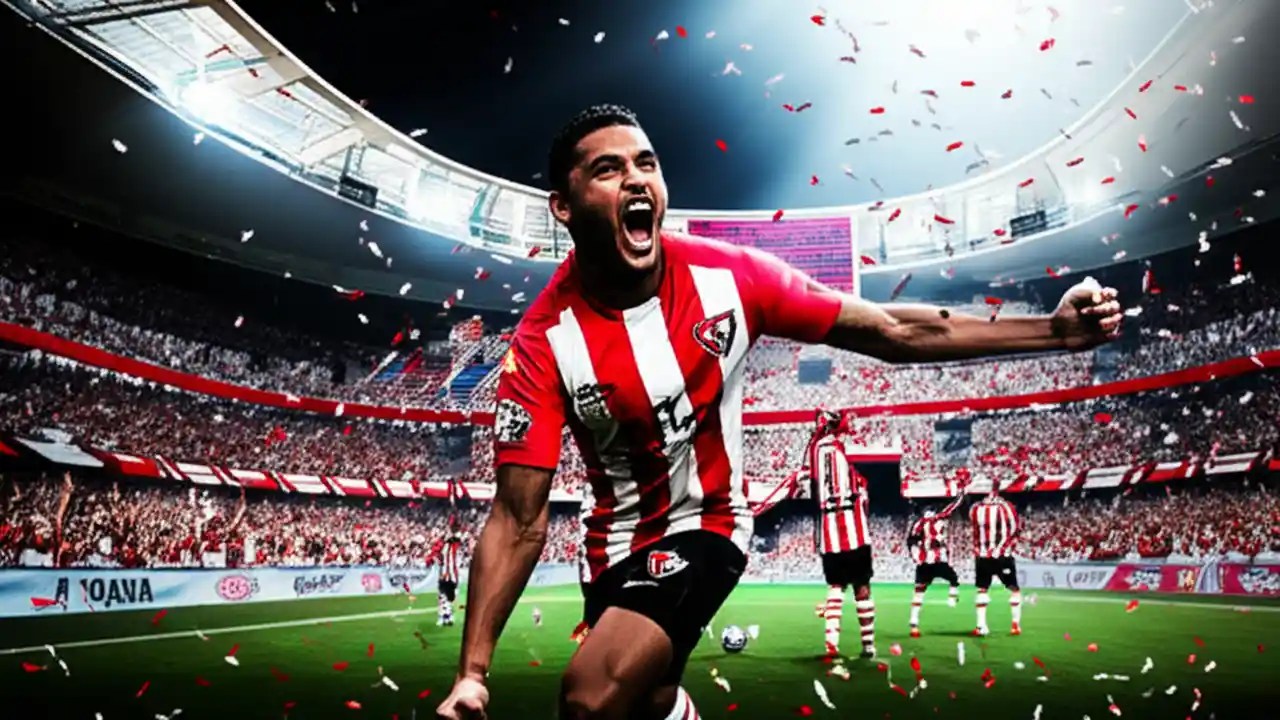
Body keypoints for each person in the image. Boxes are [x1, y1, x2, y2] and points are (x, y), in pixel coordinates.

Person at [435, 104, 1123, 720]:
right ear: (563, 206)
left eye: (647, 163)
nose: (637, 180)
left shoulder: (730, 278)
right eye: (608, 169)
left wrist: (1053, 331)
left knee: (590, 697)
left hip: (707, 521)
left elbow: (893, 330)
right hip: (610, 548)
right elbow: (518, 518)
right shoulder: (542, 344)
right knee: (648, 700)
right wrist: (472, 675)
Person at [805, 410, 876, 659]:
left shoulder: (815, 450)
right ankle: (868, 645)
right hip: (853, 525)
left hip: (829, 528)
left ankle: (831, 644)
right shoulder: (845, 447)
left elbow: (813, 483)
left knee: (835, 586)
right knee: (862, 586)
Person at [906, 484, 967, 638]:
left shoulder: (918, 523)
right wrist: (961, 495)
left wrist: (915, 556)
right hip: (937, 561)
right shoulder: (939, 518)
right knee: (954, 579)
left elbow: (910, 541)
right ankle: (952, 598)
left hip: (924, 563)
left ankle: (913, 623)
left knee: (919, 592)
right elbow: (952, 507)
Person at [969, 484, 1023, 636]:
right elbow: (1015, 528)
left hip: (982, 556)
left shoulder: (975, 509)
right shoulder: (1006, 507)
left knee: (982, 589)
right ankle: (1015, 625)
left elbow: (974, 526)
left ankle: (981, 627)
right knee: (1014, 589)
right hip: (1003, 556)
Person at [433, 526, 464, 627]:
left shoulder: (455, 544)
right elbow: (436, 553)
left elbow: (458, 537)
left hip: (453, 575)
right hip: (444, 575)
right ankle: (443, 617)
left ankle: (448, 616)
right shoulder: (442, 545)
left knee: (450, 597)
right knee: (442, 597)